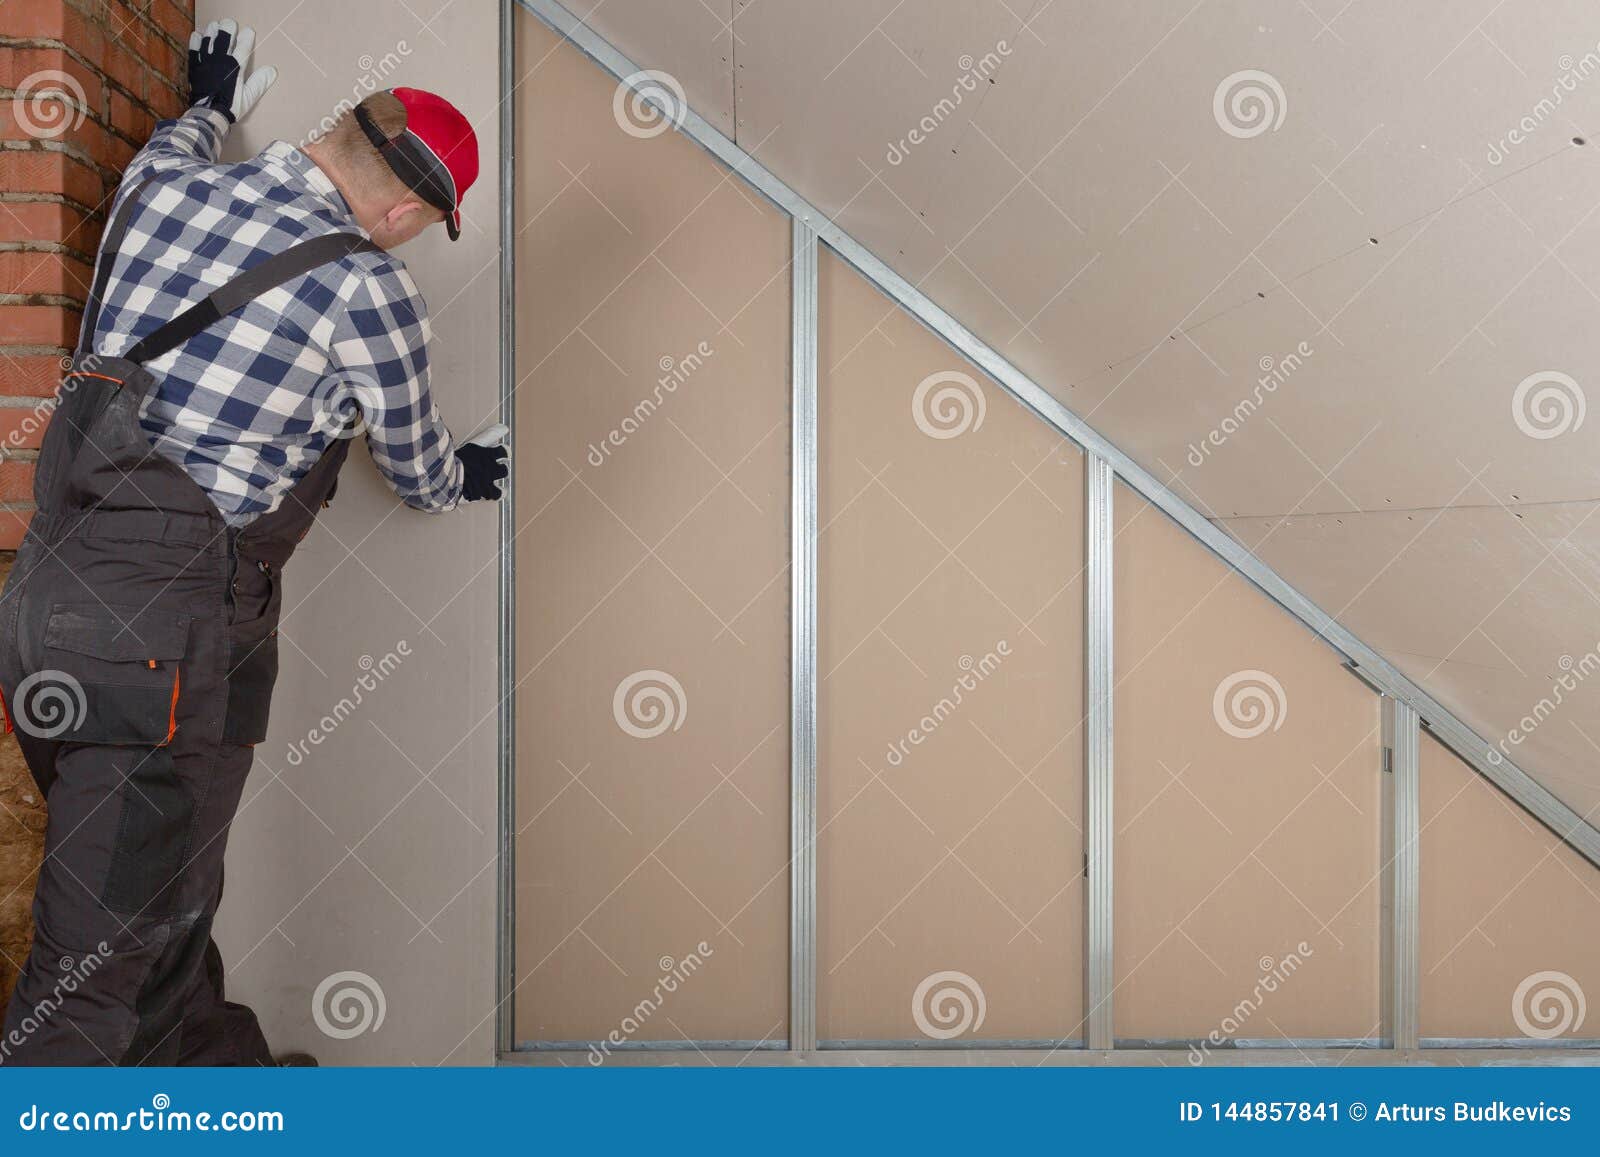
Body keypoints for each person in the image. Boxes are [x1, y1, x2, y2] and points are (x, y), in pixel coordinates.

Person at [0, 19, 505, 1065]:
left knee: (155, 901)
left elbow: (184, 140)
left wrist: (212, 100)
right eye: (423, 223)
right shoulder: (370, 290)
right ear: (409, 208)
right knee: (89, 978)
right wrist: (467, 472)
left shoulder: (162, 185)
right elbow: (414, 471)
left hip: (44, 610)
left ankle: (231, 1089)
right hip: (165, 648)